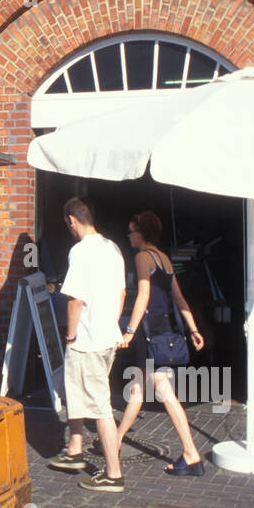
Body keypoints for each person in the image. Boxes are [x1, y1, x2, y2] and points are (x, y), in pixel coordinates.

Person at [117, 211, 206, 476]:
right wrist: (194, 329)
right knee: (138, 389)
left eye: (132, 231)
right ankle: (116, 439)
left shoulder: (143, 257)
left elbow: (143, 296)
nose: (129, 235)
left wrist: (129, 331)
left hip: (149, 333)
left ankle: (191, 454)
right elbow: (178, 299)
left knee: (165, 394)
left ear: (142, 233)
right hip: (163, 329)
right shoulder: (164, 259)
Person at [49, 198, 126, 491]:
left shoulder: (80, 252)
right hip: (106, 336)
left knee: (100, 405)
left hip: (86, 339)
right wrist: (110, 323)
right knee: (76, 391)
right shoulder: (113, 248)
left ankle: (113, 474)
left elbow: (75, 300)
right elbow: (121, 293)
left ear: (72, 220)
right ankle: (74, 449)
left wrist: (70, 336)